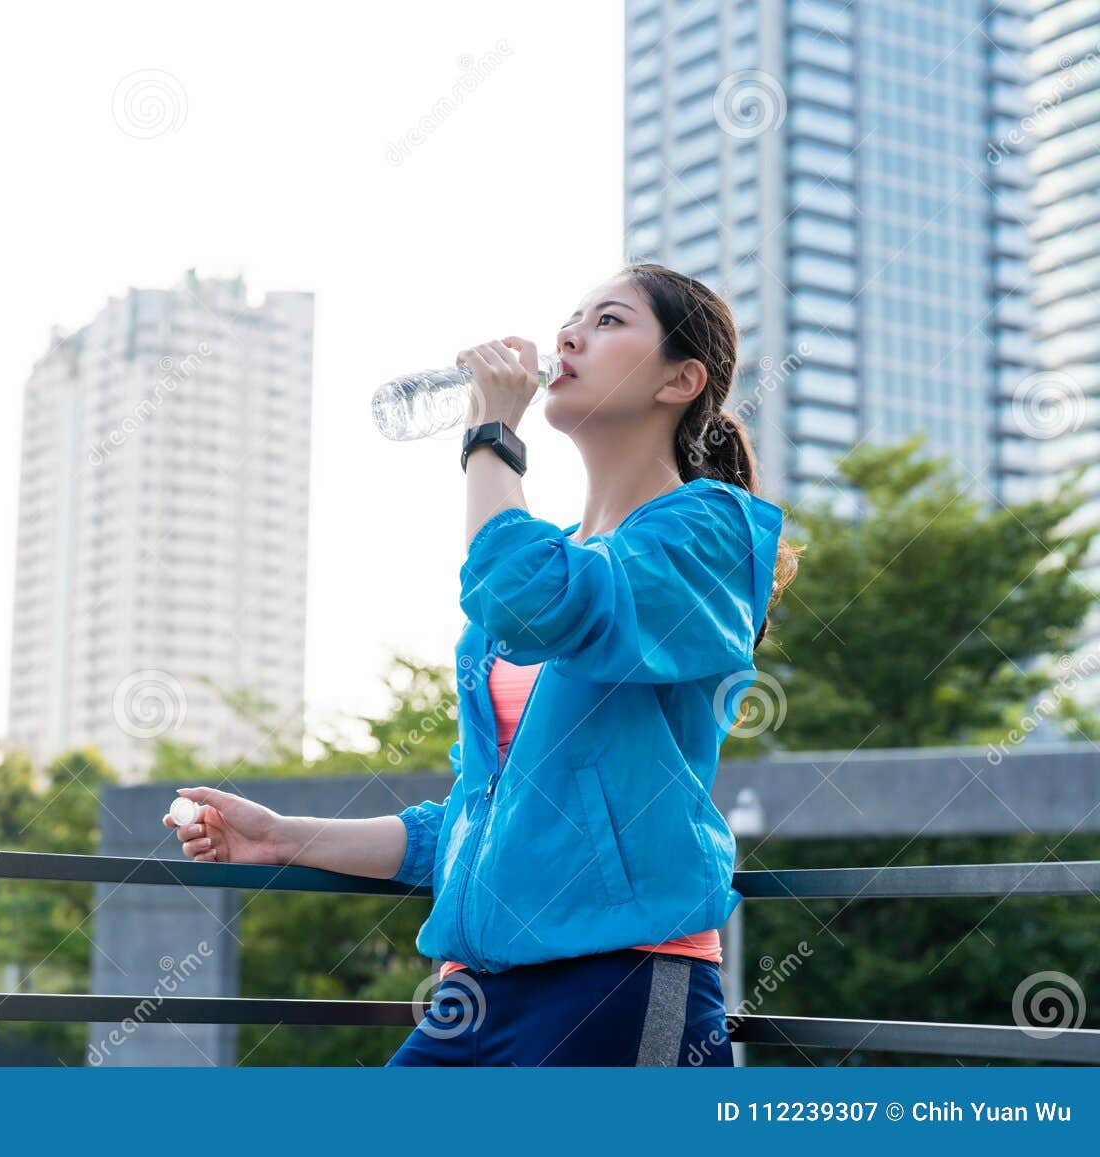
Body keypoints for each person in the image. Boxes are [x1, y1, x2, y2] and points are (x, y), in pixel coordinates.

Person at [163, 262, 802, 1066]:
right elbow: (477, 821)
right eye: (571, 317)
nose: (568, 335)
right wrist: (283, 838)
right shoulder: (552, 554)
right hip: (474, 998)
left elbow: (534, 599)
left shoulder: (708, 531)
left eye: (609, 321)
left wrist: (493, 436)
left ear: (682, 378)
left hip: (621, 984)